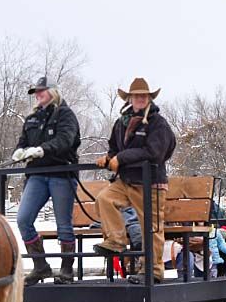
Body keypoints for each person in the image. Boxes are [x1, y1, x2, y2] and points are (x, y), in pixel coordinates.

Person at [92, 78, 176, 285]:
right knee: (104, 199)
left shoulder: (158, 123)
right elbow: (114, 147)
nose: (139, 98)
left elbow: (154, 153)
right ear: (129, 98)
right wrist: (109, 158)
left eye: (143, 95)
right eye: (136, 95)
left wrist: (121, 158)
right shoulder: (121, 122)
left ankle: (153, 270)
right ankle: (116, 240)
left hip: (151, 182)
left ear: (149, 98)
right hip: (127, 180)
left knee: (151, 226)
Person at [13, 76, 81, 285]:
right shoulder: (32, 118)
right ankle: (40, 266)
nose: (38, 95)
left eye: (42, 91)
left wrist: (43, 150)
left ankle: (66, 270)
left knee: (63, 225)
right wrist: (20, 151)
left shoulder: (65, 114)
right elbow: (23, 140)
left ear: (53, 92)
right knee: (23, 219)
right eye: (36, 92)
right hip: (37, 175)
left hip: (62, 173)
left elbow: (66, 140)